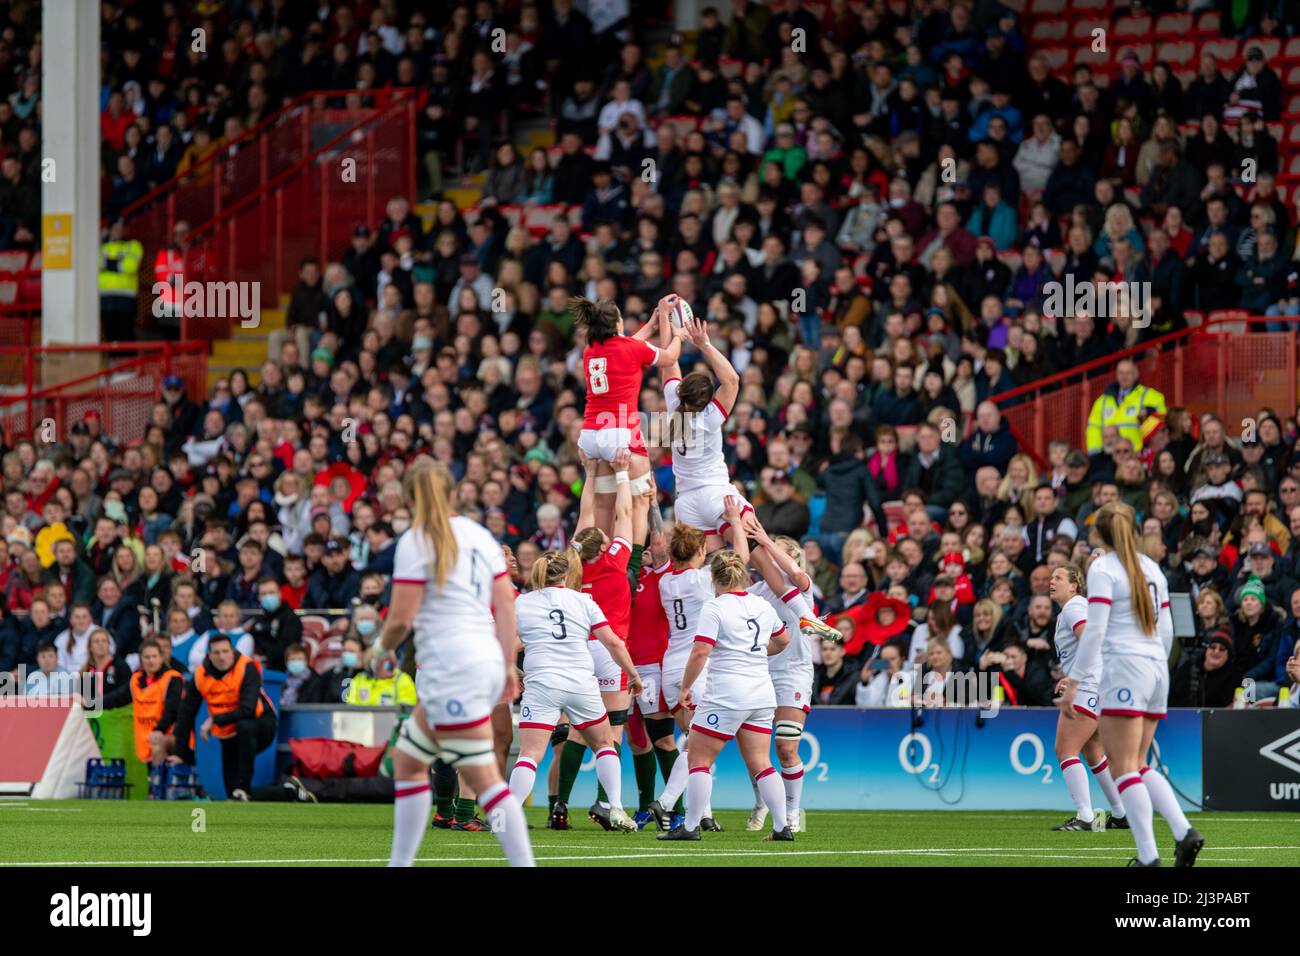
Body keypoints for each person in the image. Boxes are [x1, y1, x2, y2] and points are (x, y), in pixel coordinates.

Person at [366, 458, 533, 867]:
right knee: (408, 759)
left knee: (484, 779)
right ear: (454, 493)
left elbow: (401, 619)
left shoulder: (417, 540)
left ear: (408, 498)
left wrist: (377, 650)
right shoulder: (481, 537)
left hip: (449, 665)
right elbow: (505, 605)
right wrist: (507, 664)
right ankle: (399, 863)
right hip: (480, 659)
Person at [1057, 502, 1203, 867]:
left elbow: (1096, 630)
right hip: (1156, 666)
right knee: (1136, 763)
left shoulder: (1104, 567)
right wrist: (1157, 663)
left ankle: (1149, 857)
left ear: (1099, 533)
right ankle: (1184, 833)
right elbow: (1167, 629)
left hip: (1125, 667)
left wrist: (1074, 681)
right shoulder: (1152, 567)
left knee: (1124, 765)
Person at [656, 548, 793, 843]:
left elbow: (701, 651)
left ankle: (690, 827)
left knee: (698, 759)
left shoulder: (715, 607)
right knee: (761, 762)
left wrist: (684, 687)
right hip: (761, 692)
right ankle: (782, 827)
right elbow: (783, 640)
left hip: (727, 693)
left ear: (713, 578)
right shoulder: (761, 605)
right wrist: (753, 652)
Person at [507, 549, 643, 833]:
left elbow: (505, 642)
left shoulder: (523, 603)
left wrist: (512, 668)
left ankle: (507, 817)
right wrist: (632, 674)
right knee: (605, 744)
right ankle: (615, 807)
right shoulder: (584, 600)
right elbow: (613, 642)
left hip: (543, 682)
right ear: (567, 575)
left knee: (530, 754)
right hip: (580, 682)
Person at [551, 448, 638, 830]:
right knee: (611, 729)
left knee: (576, 730)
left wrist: (589, 474)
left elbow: (587, 517)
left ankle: (559, 805)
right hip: (609, 647)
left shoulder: (572, 566)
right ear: (603, 547)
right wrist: (621, 474)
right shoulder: (615, 559)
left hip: (577, 650)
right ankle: (607, 803)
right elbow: (624, 515)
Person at [572, 293, 685, 567]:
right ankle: (632, 566)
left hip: (590, 435)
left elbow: (629, 343)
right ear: (619, 324)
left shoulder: (591, 350)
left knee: (603, 505)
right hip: (620, 432)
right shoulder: (631, 349)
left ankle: (595, 562)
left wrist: (653, 323)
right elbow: (669, 357)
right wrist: (678, 334)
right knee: (640, 500)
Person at [743, 521, 840, 833]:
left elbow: (796, 574)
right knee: (755, 753)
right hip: (759, 671)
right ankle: (762, 801)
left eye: (779, 555)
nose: (771, 561)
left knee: (786, 748)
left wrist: (766, 543)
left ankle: (793, 811)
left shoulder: (801, 589)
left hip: (793, 673)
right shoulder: (755, 592)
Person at [651, 520, 727, 833]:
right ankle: (667, 801)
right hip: (696, 669)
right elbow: (739, 563)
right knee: (699, 747)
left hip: (670, 665)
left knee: (695, 747)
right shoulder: (703, 579)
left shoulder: (665, 582)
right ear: (699, 549)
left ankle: (704, 815)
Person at [1046, 564, 1128, 832]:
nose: (1051, 581)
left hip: (1089, 685)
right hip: (1096, 683)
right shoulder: (1073, 608)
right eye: (1051, 577)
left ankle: (1085, 817)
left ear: (1074, 585)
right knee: (1093, 752)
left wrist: (1077, 678)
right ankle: (1121, 813)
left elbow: (1090, 640)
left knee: (1065, 749)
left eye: (1058, 577)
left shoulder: (1074, 607)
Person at [171, 632, 278, 801]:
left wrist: (214, 720)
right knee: (233, 795)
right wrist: (180, 751)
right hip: (228, 730)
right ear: (209, 655)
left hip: (261, 723)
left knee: (245, 726)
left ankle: (244, 785)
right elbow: (186, 713)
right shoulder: (201, 675)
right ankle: (286, 792)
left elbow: (248, 710)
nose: (222, 657)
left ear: (232, 651)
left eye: (225, 651)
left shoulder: (247, 667)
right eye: (217, 653)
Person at [101, 637, 185, 767]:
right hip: (145, 737)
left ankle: (158, 784)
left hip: (169, 734)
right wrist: (90, 703)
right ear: (141, 659)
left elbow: (172, 710)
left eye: (154, 656)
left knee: (158, 750)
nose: (151, 660)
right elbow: (116, 698)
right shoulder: (136, 680)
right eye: (147, 657)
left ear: (161, 658)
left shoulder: (172, 678)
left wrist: (159, 730)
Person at [1085, 359, 1167, 455]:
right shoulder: (1102, 401)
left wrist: (1149, 414)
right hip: (1109, 457)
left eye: (1128, 373)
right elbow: (1093, 429)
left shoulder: (1151, 396)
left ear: (1136, 375)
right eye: (1121, 373)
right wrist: (1095, 454)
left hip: (1138, 455)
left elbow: (1162, 423)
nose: (1124, 377)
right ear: (1116, 375)